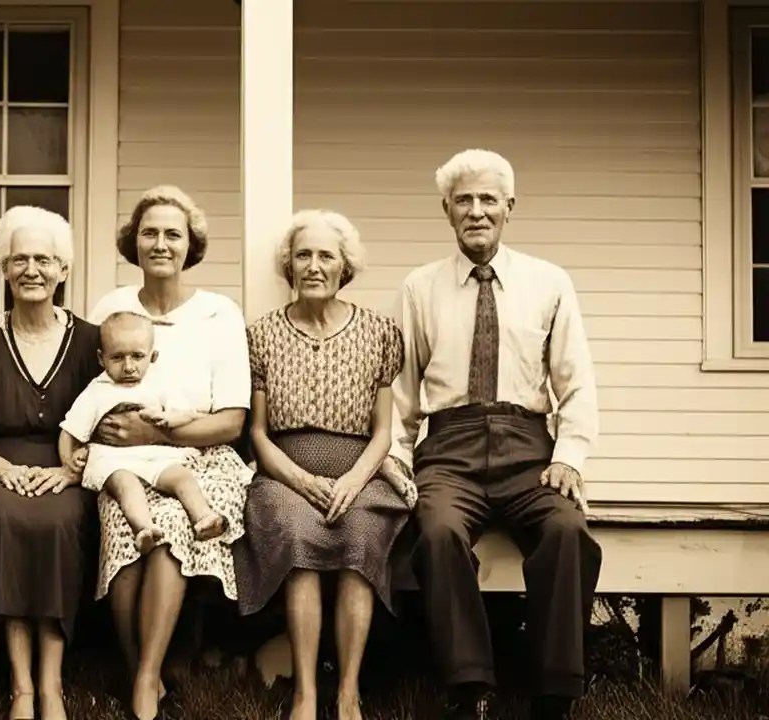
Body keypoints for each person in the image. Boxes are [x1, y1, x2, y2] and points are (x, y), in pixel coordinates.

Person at [379, 149, 602, 720]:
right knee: (435, 533)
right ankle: (469, 684)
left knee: (567, 531)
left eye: (487, 199)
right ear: (446, 211)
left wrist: (570, 457)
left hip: (530, 449)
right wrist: (399, 460)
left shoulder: (549, 281)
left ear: (509, 207)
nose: (476, 211)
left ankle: (554, 690)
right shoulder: (419, 287)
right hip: (449, 449)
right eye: (463, 201)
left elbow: (575, 382)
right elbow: (402, 390)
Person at [233, 209, 416, 720]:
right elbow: (258, 433)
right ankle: (306, 694)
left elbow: (384, 431)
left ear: (345, 266)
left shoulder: (380, 332)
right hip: (283, 476)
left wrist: (353, 481)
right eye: (303, 255)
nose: (313, 265)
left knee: (358, 540)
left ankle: (349, 692)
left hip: (360, 476)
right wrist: (299, 479)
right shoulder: (262, 334)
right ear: (288, 266)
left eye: (325, 256)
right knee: (295, 537)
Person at [87, 185, 254, 720]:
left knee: (174, 531)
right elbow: (95, 397)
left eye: (172, 234)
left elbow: (231, 422)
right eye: (149, 233)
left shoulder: (219, 314)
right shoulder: (110, 307)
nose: (160, 244)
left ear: (190, 245)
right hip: (125, 466)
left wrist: (157, 438)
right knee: (125, 529)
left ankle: (143, 676)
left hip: (203, 460)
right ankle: (146, 669)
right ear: (133, 242)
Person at [0, 205, 101, 720]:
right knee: (5, 519)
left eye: (44, 259)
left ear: (64, 269)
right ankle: (21, 685)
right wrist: (4, 471)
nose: (31, 270)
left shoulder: (93, 342)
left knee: (57, 523)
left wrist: (69, 472)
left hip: (69, 471)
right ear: (4, 269)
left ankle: (52, 682)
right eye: (19, 259)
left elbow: (109, 426)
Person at [59, 311, 224, 553]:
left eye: (137, 357)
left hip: (156, 456)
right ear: (101, 358)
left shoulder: (160, 383)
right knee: (126, 485)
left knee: (181, 477)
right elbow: (69, 430)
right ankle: (144, 528)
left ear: (152, 356)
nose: (128, 367)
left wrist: (169, 418)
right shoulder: (97, 390)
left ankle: (203, 517)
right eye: (117, 358)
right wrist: (68, 462)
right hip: (114, 460)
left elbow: (187, 413)